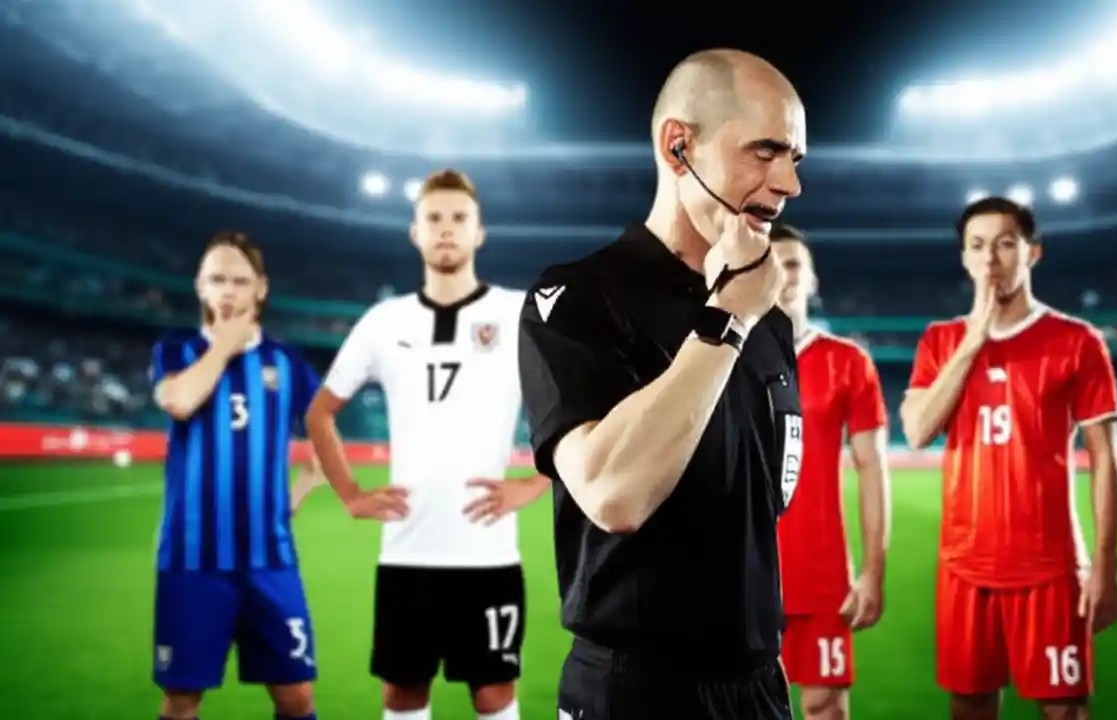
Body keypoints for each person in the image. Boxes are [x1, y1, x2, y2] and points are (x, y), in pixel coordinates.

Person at [517, 48, 805, 720]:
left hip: (758, 684)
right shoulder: (578, 297)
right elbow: (612, 493)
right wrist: (726, 317)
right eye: (765, 152)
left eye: (796, 158)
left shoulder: (768, 316)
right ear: (678, 147)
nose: (790, 182)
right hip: (634, 689)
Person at [303, 168, 546, 720]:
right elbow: (320, 412)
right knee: (403, 694)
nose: (446, 228)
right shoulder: (384, 321)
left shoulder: (517, 312)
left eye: (459, 217)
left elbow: (579, 400)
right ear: (415, 233)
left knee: (494, 694)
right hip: (406, 553)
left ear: (479, 232)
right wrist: (351, 495)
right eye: (433, 218)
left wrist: (535, 484)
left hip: (487, 554)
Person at [900, 197, 1117, 720]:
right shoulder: (940, 341)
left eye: (1005, 244)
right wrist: (974, 340)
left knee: (1064, 709)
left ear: (1032, 252)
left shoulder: (1077, 341)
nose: (990, 259)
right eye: (977, 246)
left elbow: (1106, 460)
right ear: (964, 258)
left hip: (1050, 567)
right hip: (964, 566)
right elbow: (916, 431)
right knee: (970, 705)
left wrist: (1106, 565)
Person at [149, 231, 325, 720]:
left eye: (240, 280)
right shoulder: (176, 350)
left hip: (271, 559)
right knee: (182, 699)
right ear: (200, 286)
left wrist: (296, 496)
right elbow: (179, 401)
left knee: (297, 696)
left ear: (261, 288)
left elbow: (322, 440)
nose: (228, 290)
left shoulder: (286, 363)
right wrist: (224, 347)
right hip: (192, 559)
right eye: (217, 279)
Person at [770, 225, 890, 720]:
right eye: (769, 263)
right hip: (744, 578)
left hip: (822, 575)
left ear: (812, 279)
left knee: (826, 708)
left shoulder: (847, 362)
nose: (782, 274)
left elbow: (872, 468)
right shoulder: (723, 362)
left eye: (793, 264)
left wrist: (874, 570)